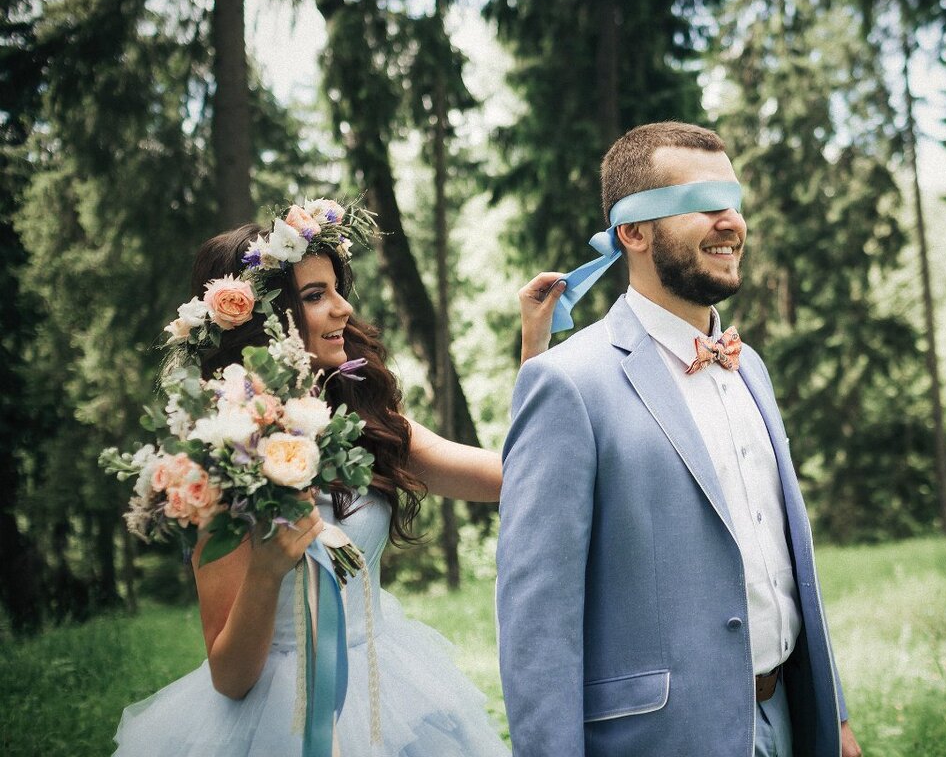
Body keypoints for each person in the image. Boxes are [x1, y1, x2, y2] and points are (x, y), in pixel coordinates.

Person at [113, 205, 565, 755]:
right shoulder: (219, 461)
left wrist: (533, 349)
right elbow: (230, 679)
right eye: (314, 295)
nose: (344, 307)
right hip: (276, 718)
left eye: (337, 289)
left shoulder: (369, 425)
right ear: (264, 319)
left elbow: (508, 477)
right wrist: (267, 569)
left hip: (386, 687)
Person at [496, 122, 863, 757]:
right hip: (660, 738)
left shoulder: (750, 368)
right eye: (701, 204)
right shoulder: (567, 384)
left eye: (735, 202)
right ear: (633, 231)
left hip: (790, 723)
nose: (731, 222)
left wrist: (834, 716)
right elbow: (537, 622)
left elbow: (778, 560)